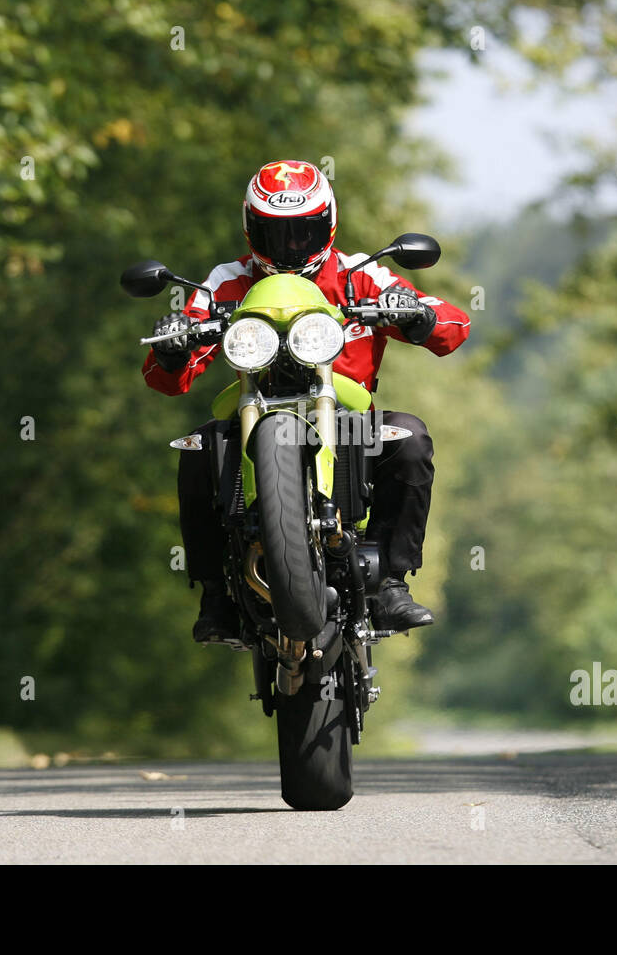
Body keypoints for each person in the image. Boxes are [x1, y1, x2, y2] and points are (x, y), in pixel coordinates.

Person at [141, 159, 470, 641]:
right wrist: (173, 345)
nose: (291, 246)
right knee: (199, 446)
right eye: (277, 234)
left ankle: (391, 584)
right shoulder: (226, 280)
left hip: (348, 419)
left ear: (328, 223)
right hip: (254, 409)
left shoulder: (362, 273)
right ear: (252, 230)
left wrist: (419, 313)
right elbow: (165, 378)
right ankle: (215, 594)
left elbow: (453, 328)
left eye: (303, 232)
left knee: (411, 438)